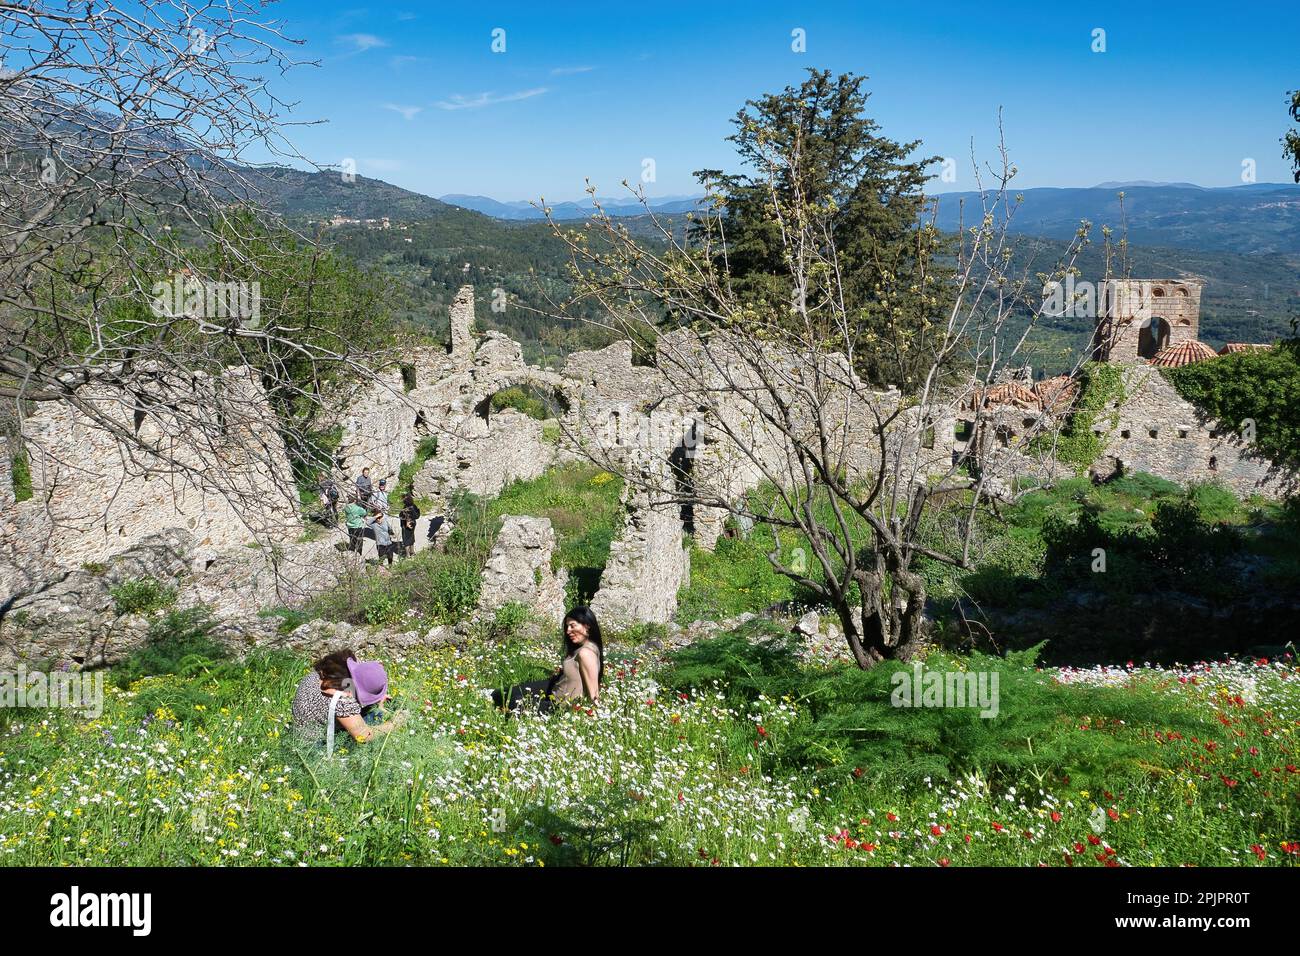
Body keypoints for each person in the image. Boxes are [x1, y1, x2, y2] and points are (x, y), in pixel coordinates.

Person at [491, 606, 603, 714]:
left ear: (587, 625)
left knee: (514, 701)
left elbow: (594, 692)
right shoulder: (581, 647)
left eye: (572, 626)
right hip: (554, 690)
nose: (568, 631)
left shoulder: (586, 653)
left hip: (558, 708)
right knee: (501, 693)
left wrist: (595, 712)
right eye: (567, 626)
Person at [291, 648, 406, 746]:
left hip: (300, 732)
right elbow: (363, 736)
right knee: (377, 715)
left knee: (373, 708)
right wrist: (393, 724)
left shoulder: (320, 673)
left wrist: (375, 696)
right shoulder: (344, 700)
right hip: (314, 747)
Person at [399, 493, 421, 558]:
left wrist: (406, 521)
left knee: (406, 539)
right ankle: (412, 552)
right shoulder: (413, 506)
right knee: (411, 537)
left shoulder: (407, 508)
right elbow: (417, 516)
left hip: (406, 525)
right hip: (413, 523)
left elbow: (402, 517)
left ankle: (408, 555)